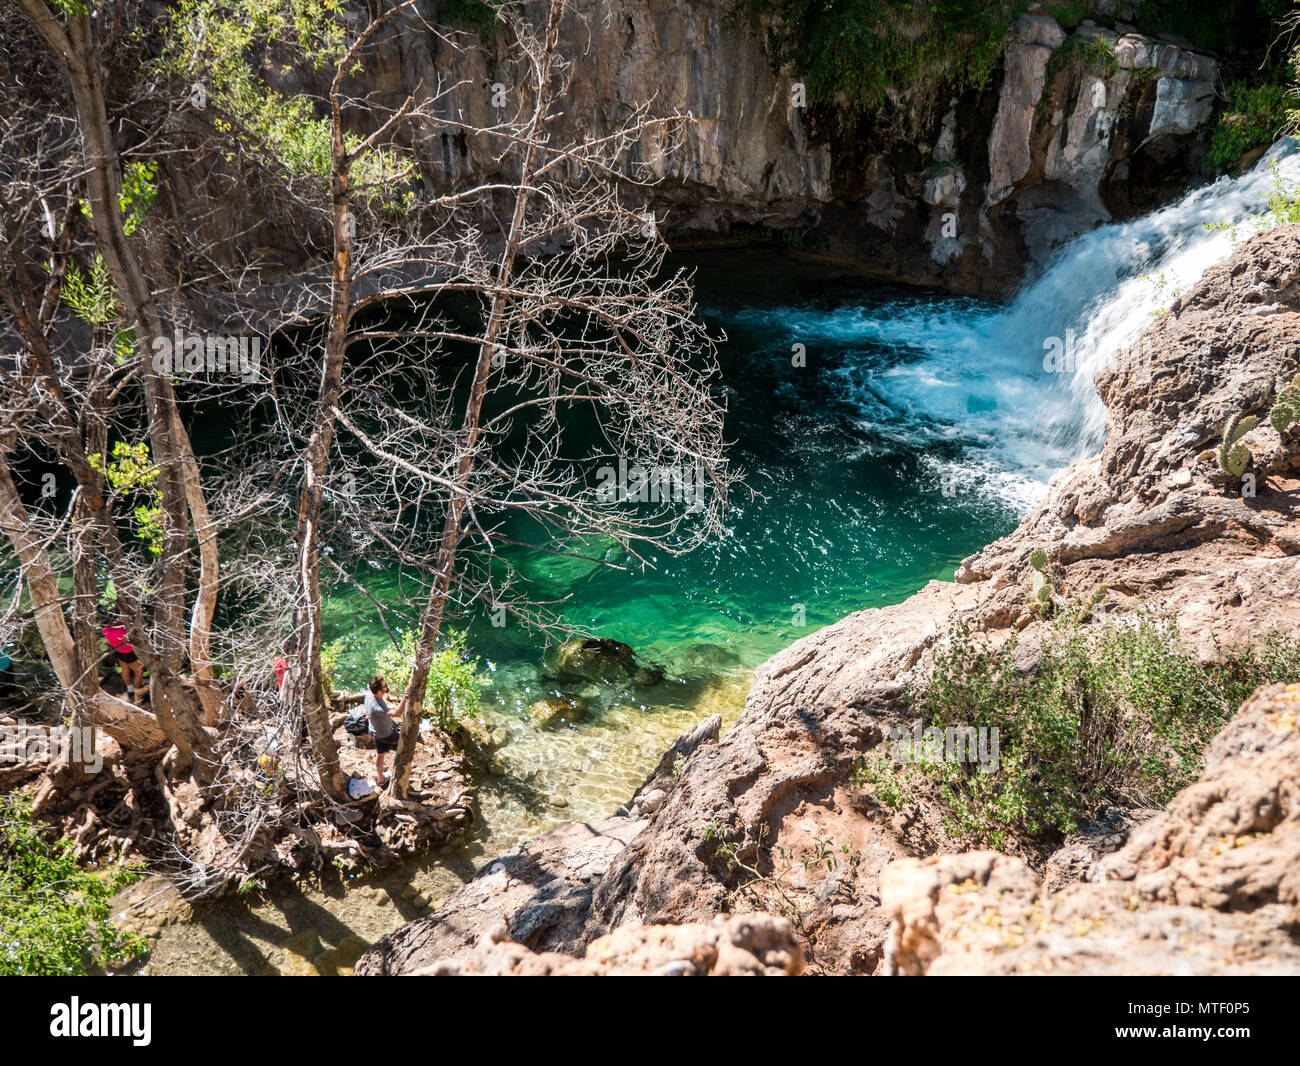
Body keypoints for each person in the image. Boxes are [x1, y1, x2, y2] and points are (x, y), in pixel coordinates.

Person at [101, 613, 145, 701]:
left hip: (118, 652)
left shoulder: (105, 630)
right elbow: (128, 639)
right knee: (138, 671)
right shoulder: (121, 629)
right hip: (129, 652)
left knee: (125, 669)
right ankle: (137, 692)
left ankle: (130, 689)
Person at [365, 675, 400, 785]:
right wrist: (405, 699)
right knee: (405, 744)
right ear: (379, 691)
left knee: (380, 754)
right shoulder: (377, 708)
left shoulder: (369, 695)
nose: (387, 687)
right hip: (386, 735)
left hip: (375, 731)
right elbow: (397, 714)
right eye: (384, 686)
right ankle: (399, 775)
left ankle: (381, 780)